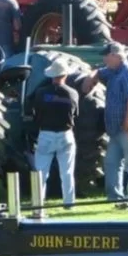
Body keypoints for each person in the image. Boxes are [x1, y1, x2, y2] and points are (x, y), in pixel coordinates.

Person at [26, 62, 80, 209]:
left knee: (41, 173)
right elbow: (75, 114)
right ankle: (69, 204)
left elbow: (32, 110)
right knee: (67, 172)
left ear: (51, 76)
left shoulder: (41, 93)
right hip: (66, 134)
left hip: (46, 134)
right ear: (65, 75)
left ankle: (38, 204)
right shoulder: (73, 93)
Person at [98, 44, 128, 205]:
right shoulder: (113, 71)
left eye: (106, 56)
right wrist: (90, 78)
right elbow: (98, 73)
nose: (104, 59)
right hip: (114, 129)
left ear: (116, 55)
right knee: (111, 163)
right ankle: (115, 198)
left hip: (127, 128)